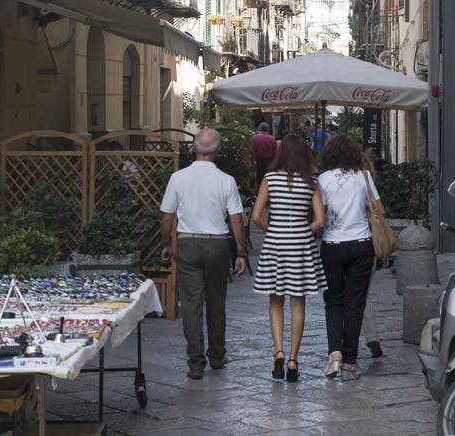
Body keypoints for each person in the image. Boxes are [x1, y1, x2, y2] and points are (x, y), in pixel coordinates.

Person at [160, 127, 246, 380]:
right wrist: (240, 252)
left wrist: (167, 243)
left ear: (194, 148)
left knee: (191, 304)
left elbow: (167, 217)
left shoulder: (178, 178)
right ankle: (217, 355)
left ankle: (196, 363)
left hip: (187, 243)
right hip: (217, 244)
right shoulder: (226, 180)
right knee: (216, 302)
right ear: (218, 151)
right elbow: (236, 220)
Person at [252, 134, 326, 382]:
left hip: (275, 243)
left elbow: (256, 216)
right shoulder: (311, 181)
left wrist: (269, 228)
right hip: (301, 246)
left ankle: (279, 353)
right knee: (298, 303)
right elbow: (320, 221)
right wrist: (306, 230)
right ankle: (294, 360)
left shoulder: (269, 179)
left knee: (275, 300)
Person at [318, 134, 381, 379]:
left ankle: (334, 353)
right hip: (361, 244)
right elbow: (379, 209)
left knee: (333, 300)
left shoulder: (322, 179)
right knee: (355, 304)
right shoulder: (363, 177)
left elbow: (318, 213)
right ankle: (350, 361)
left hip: (332, 245)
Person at [361, 147, 385, 359]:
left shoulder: (332, 179)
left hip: (340, 243)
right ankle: (372, 337)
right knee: (363, 293)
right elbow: (381, 211)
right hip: (368, 243)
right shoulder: (366, 179)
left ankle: (341, 342)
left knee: (342, 295)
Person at [249, 122, 278, 189]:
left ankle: (259, 193)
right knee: (269, 178)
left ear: (260, 129)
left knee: (259, 179)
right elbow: (275, 152)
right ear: (268, 129)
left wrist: (252, 162)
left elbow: (252, 151)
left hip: (259, 161)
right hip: (269, 161)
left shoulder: (255, 138)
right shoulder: (272, 138)